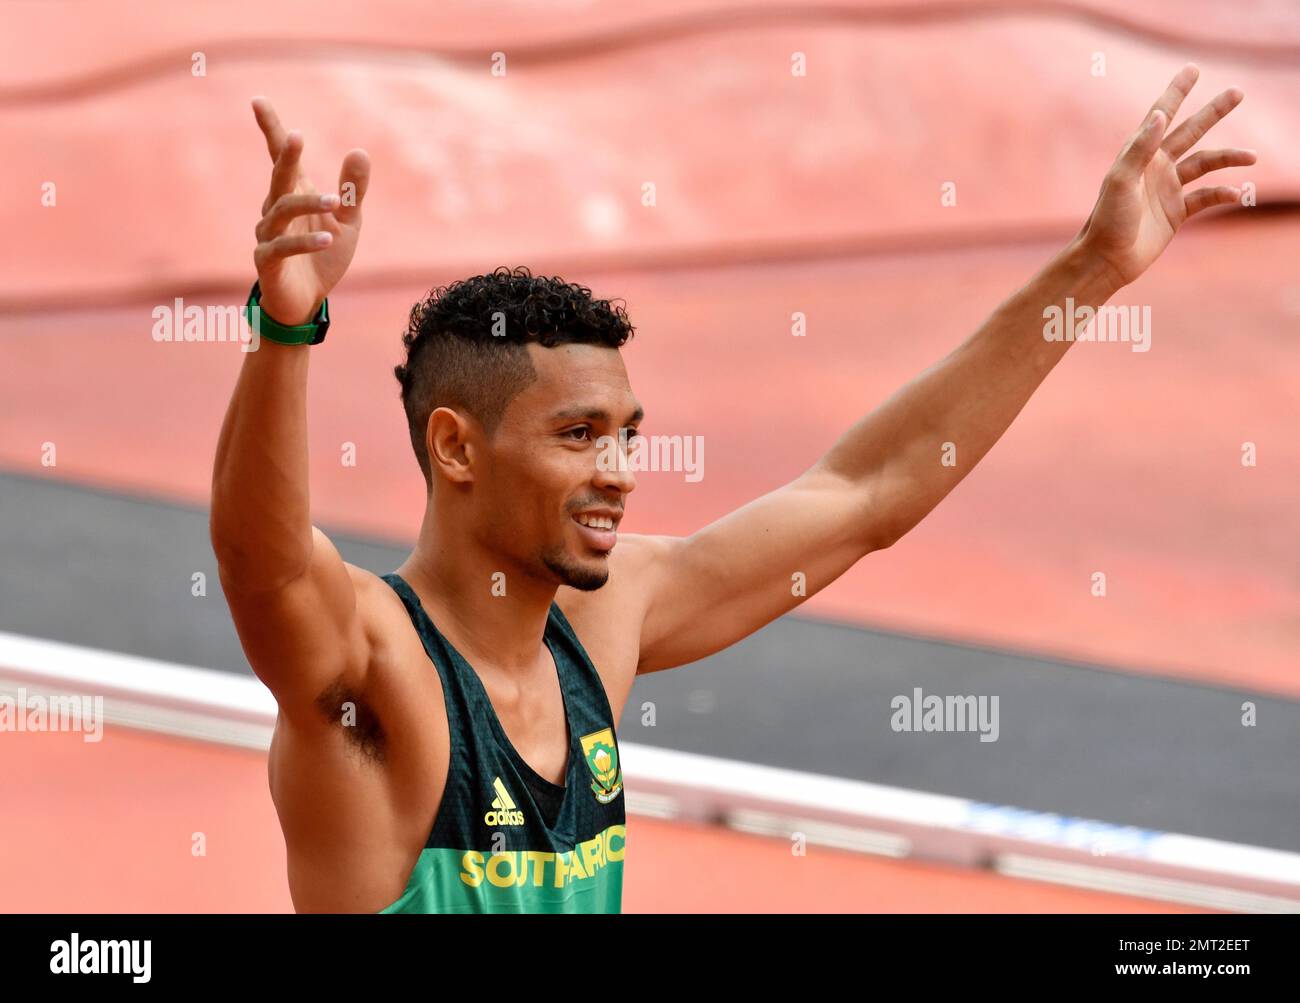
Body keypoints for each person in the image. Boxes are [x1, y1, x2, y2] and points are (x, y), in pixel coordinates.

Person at [209, 65, 1252, 912]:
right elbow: (260, 561)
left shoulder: (604, 626)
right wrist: (285, 330)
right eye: (578, 436)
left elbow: (868, 491)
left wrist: (1092, 269)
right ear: (456, 449)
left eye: (626, 436)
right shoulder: (372, 667)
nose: (618, 472)